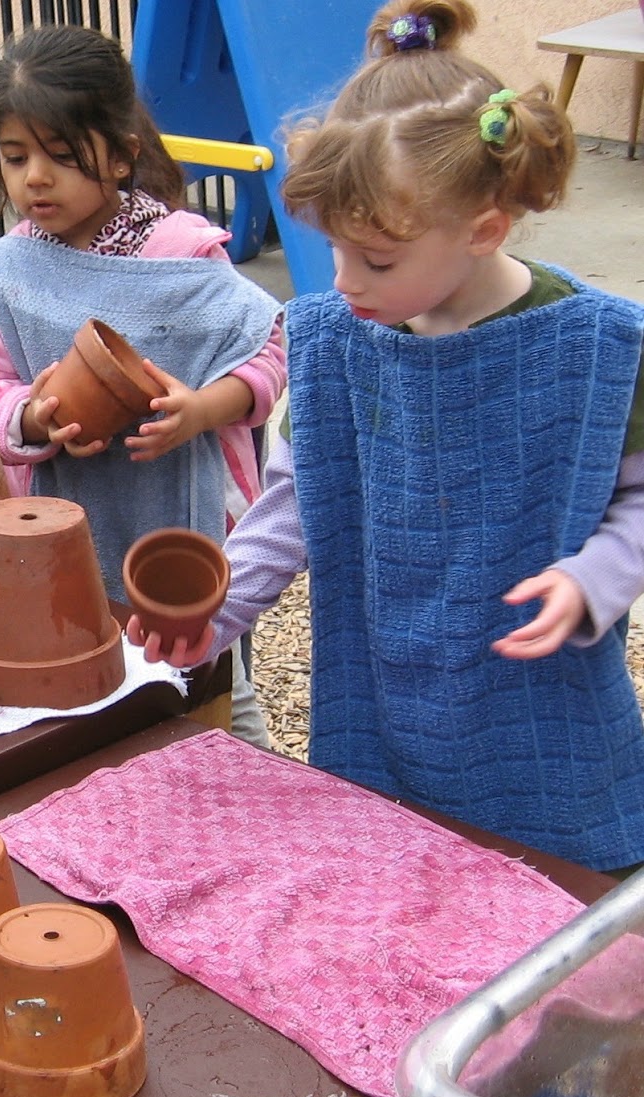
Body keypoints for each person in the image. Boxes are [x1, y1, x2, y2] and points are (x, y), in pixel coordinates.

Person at [130, 0, 644, 874]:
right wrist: (218, 610)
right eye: (332, 248)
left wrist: (593, 576)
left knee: (561, 929)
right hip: (382, 697)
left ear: (484, 230)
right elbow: (297, 496)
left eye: (376, 260)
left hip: (543, 711)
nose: (341, 281)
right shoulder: (331, 343)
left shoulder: (597, 348)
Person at [0, 22, 286, 746]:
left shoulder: (179, 253)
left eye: (62, 156)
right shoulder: (5, 272)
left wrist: (203, 409)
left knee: (211, 683)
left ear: (124, 152)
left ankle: (251, 773)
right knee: (85, 684)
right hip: (58, 526)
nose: (36, 176)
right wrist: (31, 417)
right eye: (15, 157)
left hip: (182, 518)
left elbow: (270, 342)